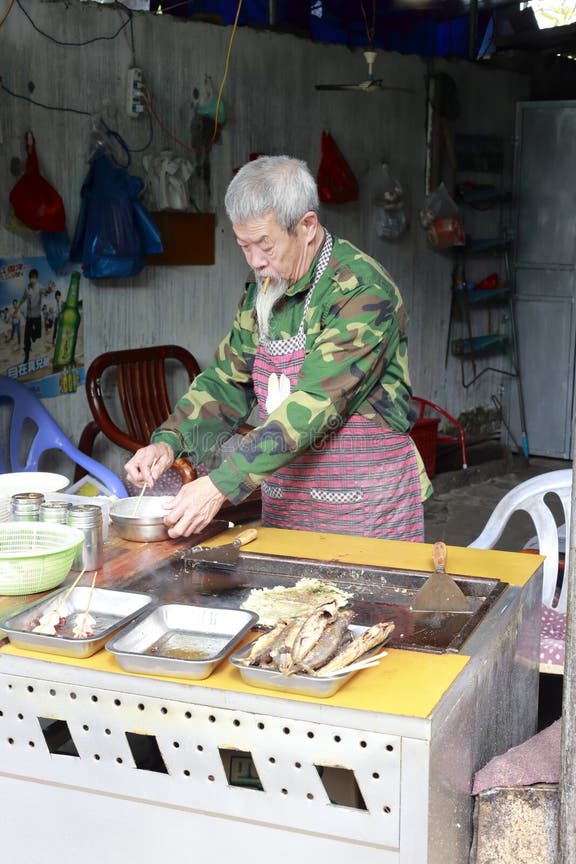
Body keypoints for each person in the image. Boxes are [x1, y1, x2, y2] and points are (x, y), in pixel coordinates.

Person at [125, 155, 430, 540]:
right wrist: (170, 441)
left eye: (264, 245)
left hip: (365, 511)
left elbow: (315, 405)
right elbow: (228, 382)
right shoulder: (266, 290)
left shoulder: (361, 293)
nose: (254, 261)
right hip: (291, 503)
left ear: (306, 226)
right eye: (243, 245)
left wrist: (220, 484)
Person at [17, 269, 52, 364]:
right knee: (26, 338)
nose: (32, 280)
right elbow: (23, 297)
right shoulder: (27, 288)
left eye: (34, 278)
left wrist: (48, 290)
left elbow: (46, 291)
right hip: (29, 317)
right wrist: (18, 305)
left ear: (36, 278)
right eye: (31, 278)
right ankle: (27, 357)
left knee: (38, 335)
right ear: (29, 279)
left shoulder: (39, 286)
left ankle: (33, 335)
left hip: (37, 317)